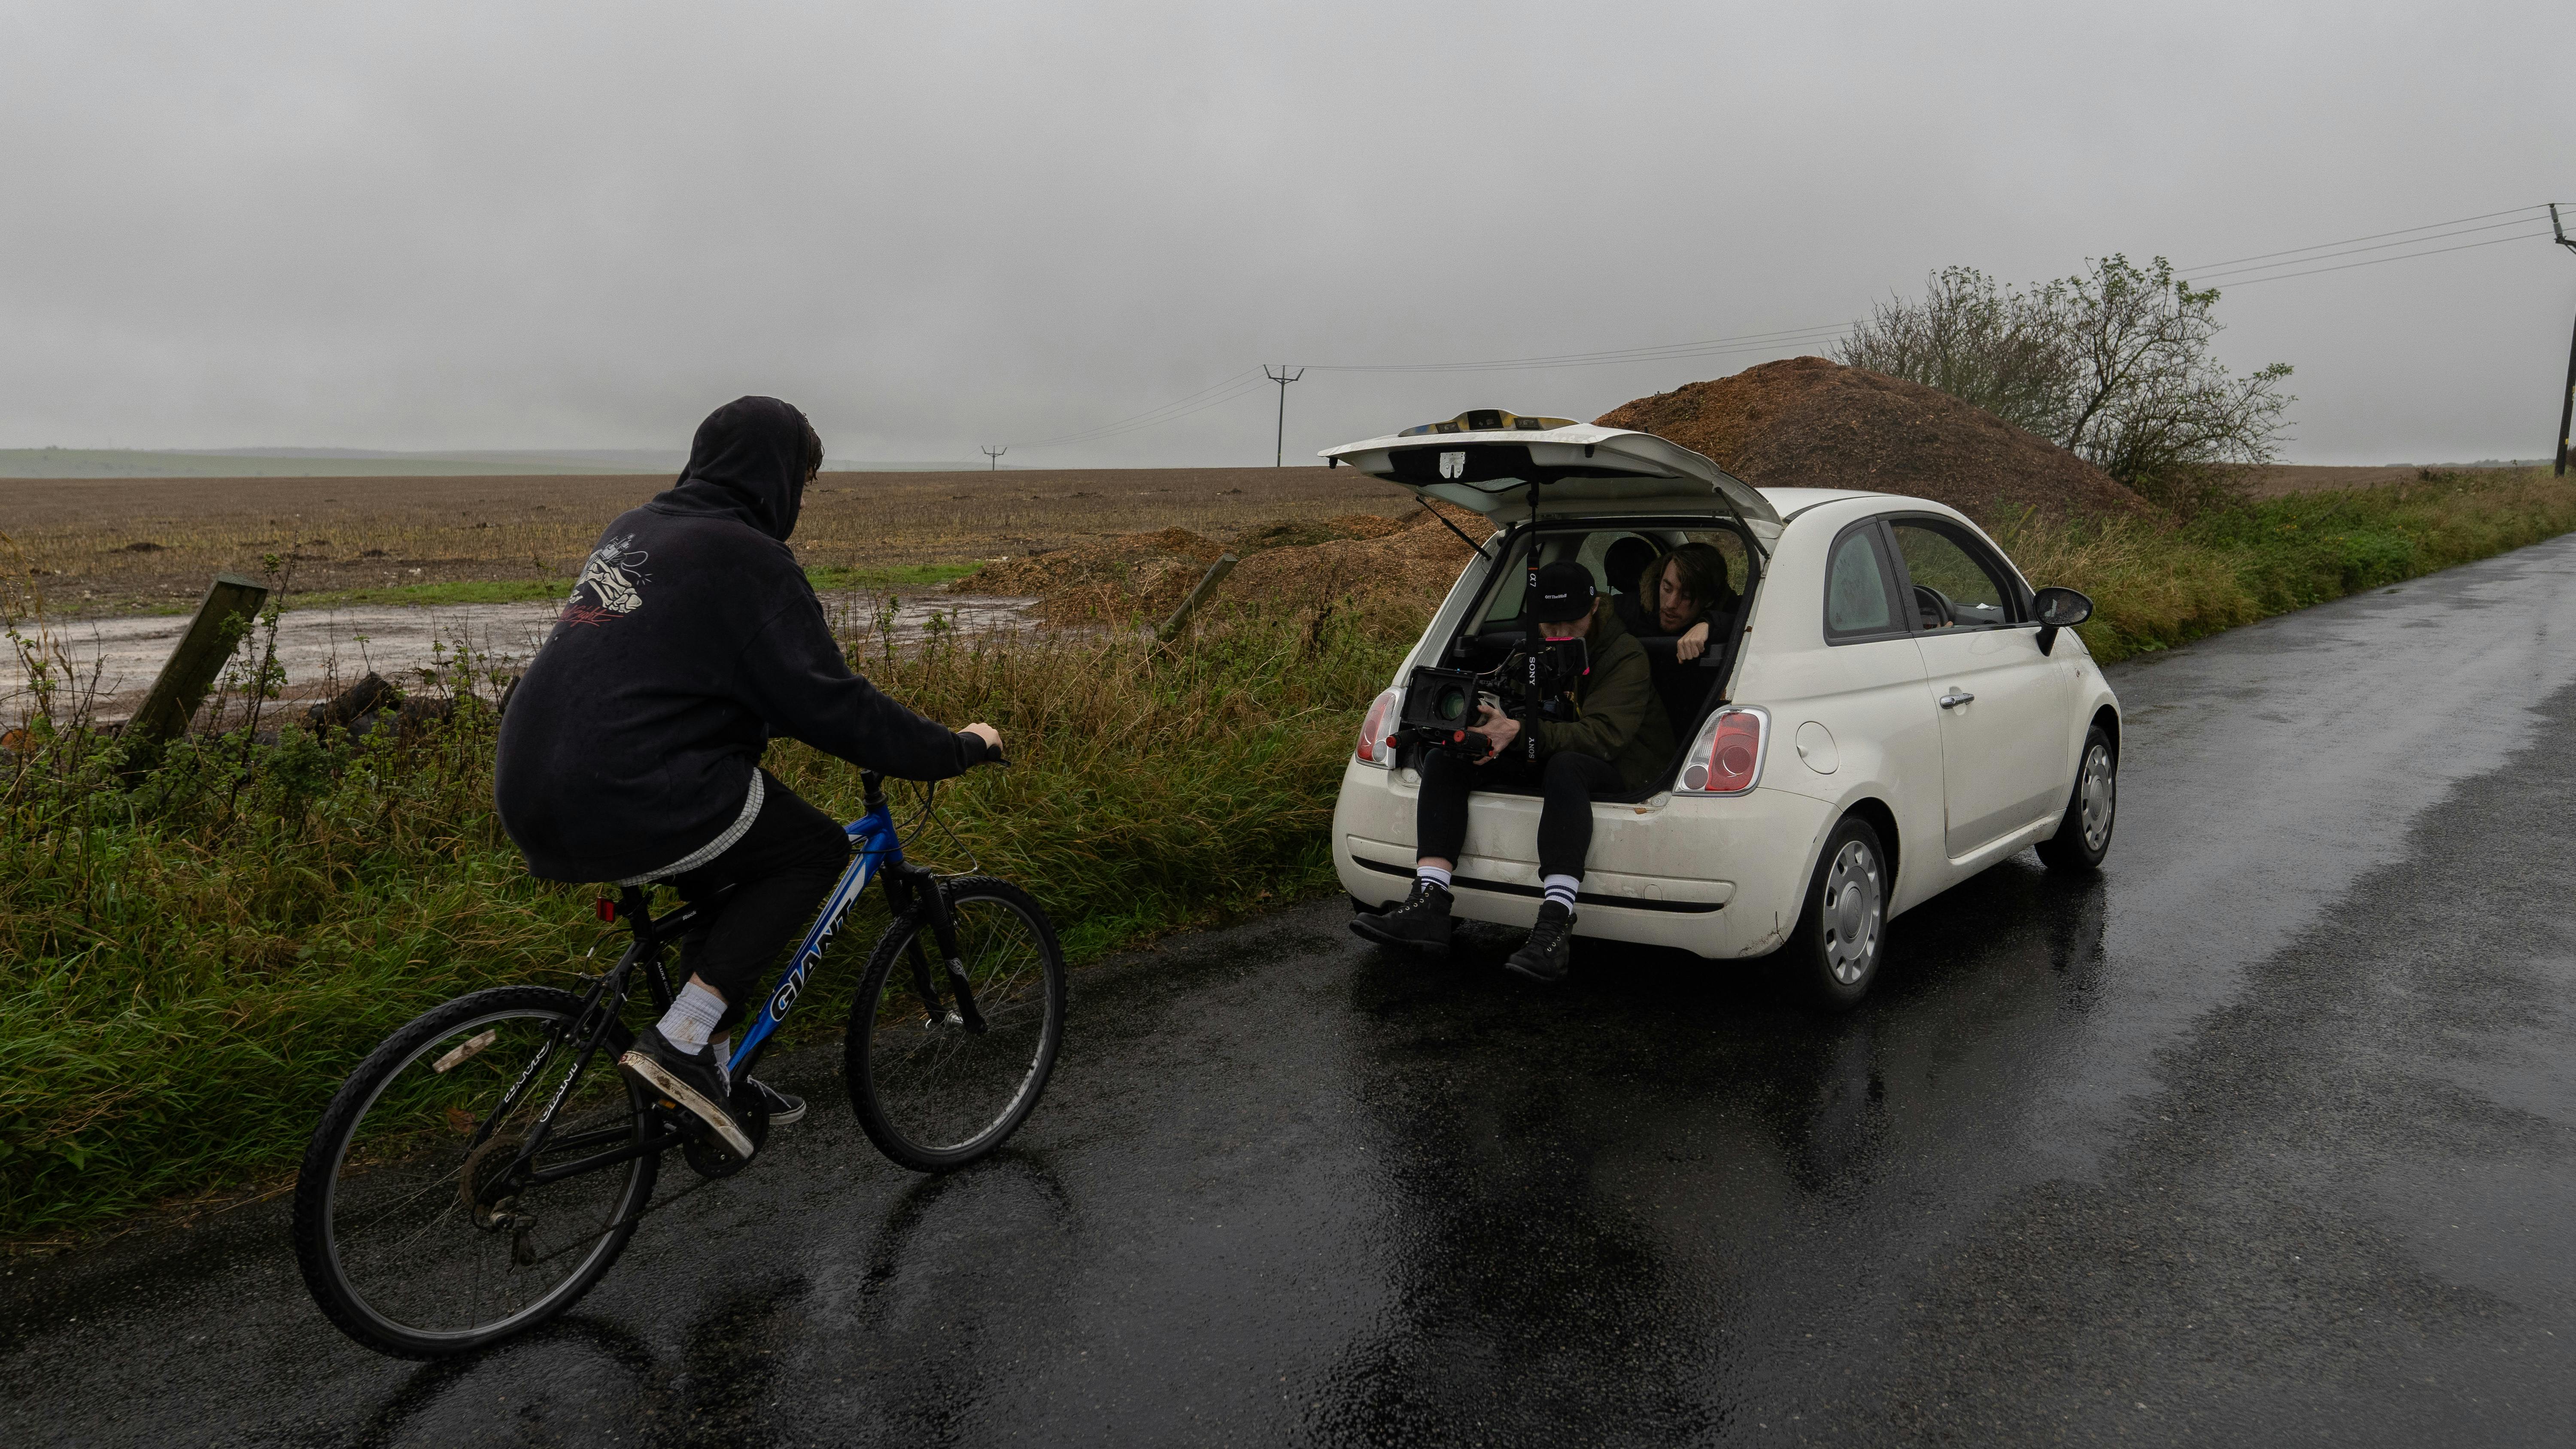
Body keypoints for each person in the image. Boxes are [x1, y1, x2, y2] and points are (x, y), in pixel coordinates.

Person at [494, 396, 1002, 1159]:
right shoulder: (750, 557)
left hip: (532, 778)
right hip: (625, 788)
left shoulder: (635, 528)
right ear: (780, 477)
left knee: (733, 872)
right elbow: (834, 704)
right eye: (804, 478)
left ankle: (712, 1078)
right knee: (810, 851)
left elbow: (666, 667)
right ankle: (685, 1041)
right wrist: (952, 748)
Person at [1351, 560, 1676, 984]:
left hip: (1628, 762)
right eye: (1549, 623)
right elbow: (1522, 712)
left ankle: (1554, 927)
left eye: (1571, 621)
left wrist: (1518, 733)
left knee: (1565, 768)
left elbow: (1604, 736)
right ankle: (1428, 902)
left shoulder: (1623, 654)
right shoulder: (1532, 648)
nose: (1560, 633)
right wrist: (1491, 726)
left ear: (1595, 607)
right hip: (1548, 744)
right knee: (1447, 757)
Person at [1634, 542, 1736, 741]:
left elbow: (1753, 616)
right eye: (1667, 588)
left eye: (1687, 596)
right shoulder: (1632, 610)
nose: (1671, 604)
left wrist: (1711, 624)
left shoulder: (1723, 613)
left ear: (1708, 601)